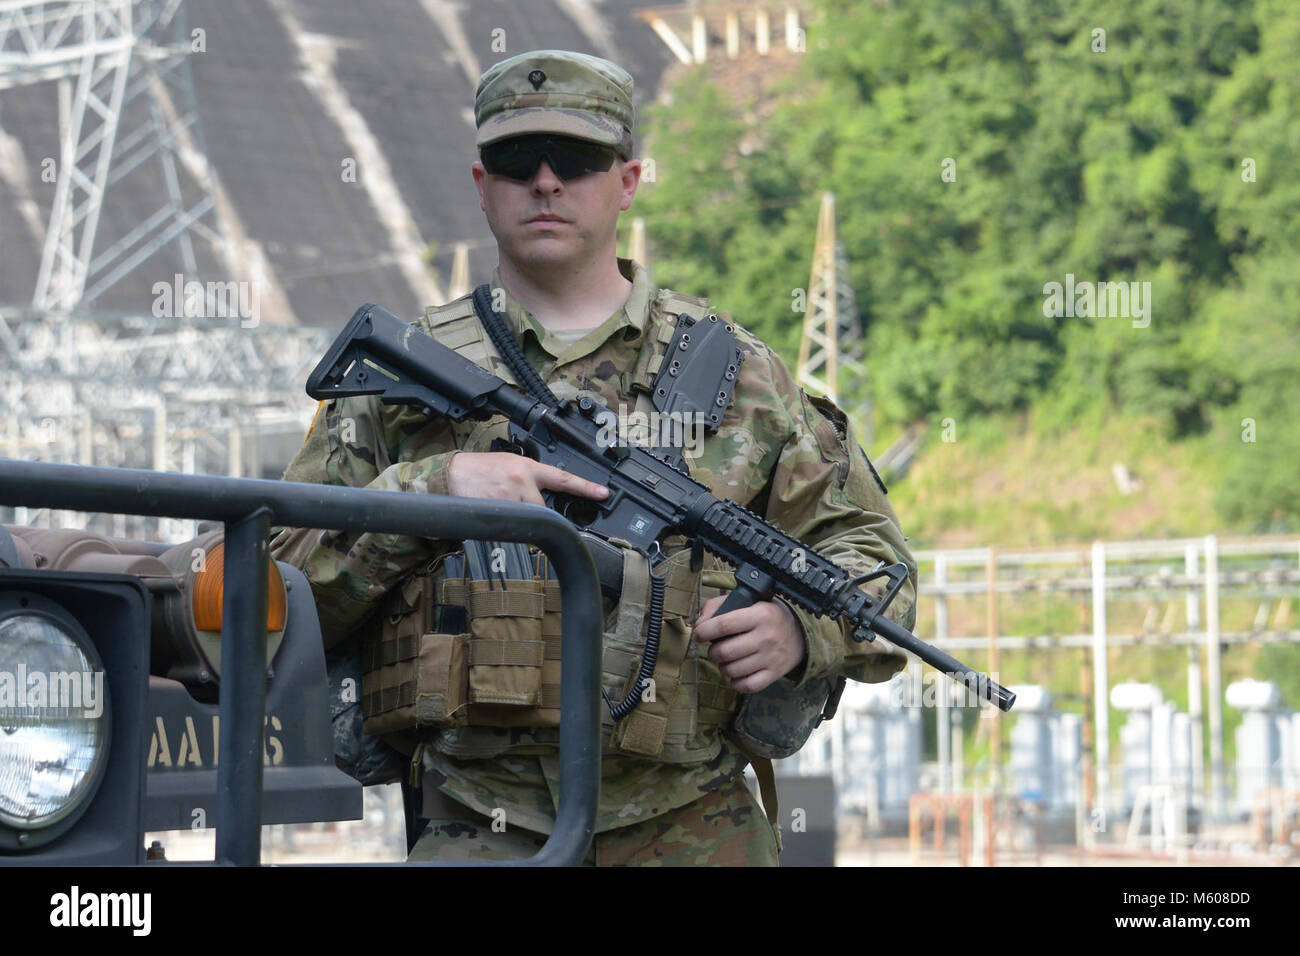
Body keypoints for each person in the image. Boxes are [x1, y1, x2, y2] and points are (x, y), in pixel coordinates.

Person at [270, 49, 916, 866]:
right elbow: (273, 592)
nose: (545, 182)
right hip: (475, 820)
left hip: (693, 820)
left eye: (575, 160)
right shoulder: (400, 380)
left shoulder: (742, 379)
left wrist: (800, 627)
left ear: (629, 179)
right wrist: (435, 490)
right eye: (516, 160)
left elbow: (878, 567)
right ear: (480, 183)